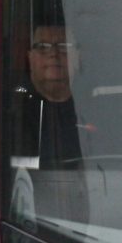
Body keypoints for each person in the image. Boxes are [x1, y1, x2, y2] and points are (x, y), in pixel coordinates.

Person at [24, 24, 89, 166]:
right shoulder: (5, 108)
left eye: (64, 46)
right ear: (30, 58)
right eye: (42, 47)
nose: (53, 53)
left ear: (78, 56)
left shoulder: (98, 109)